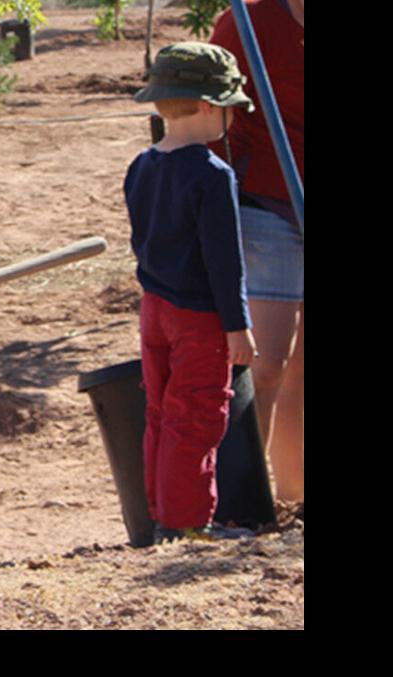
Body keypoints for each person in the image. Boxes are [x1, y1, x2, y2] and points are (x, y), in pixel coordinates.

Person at [127, 43, 259, 543]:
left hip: (154, 309)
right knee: (198, 416)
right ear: (207, 104)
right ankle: (190, 523)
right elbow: (225, 261)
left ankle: (163, 516)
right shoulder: (212, 174)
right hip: (199, 317)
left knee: (160, 413)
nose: (230, 117)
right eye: (228, 105)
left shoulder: (142, 165)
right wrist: (237, 324)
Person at [208, 0, 304, 503]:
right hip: (267, 199)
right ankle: (243, 504)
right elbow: (207, 104)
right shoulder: (248, 20)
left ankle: (294, 500)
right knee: (266, 363)